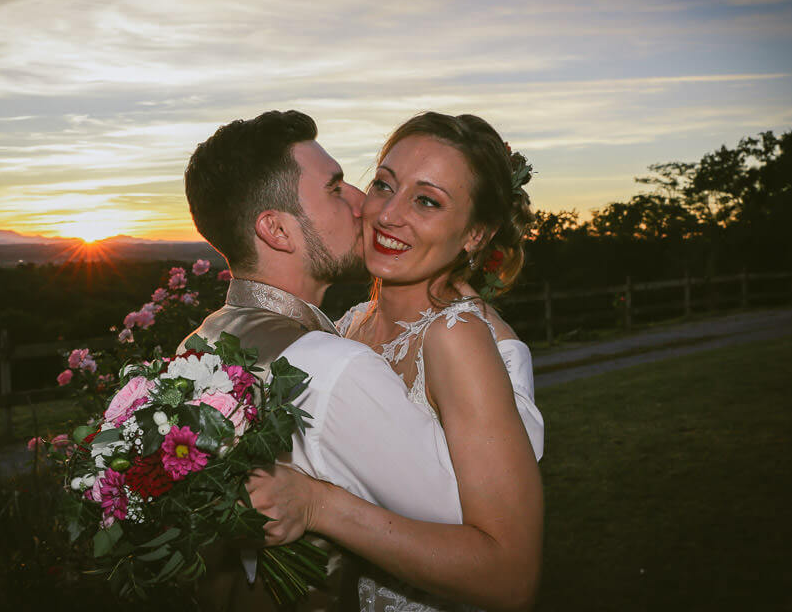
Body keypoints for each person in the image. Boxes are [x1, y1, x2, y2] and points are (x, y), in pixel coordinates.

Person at [245, 112, 544, 612]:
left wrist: (317, 505)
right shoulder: (353, 322)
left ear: (475, 234)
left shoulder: (457, 338)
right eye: (385, 185)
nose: (387, 215)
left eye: (427, 200)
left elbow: (510, 578)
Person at [179, 110, 466, 611]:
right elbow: (471, 542)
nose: (362, 202)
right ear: (277, 230)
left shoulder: (198, 345)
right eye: (335, 188)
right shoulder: (331, 369)